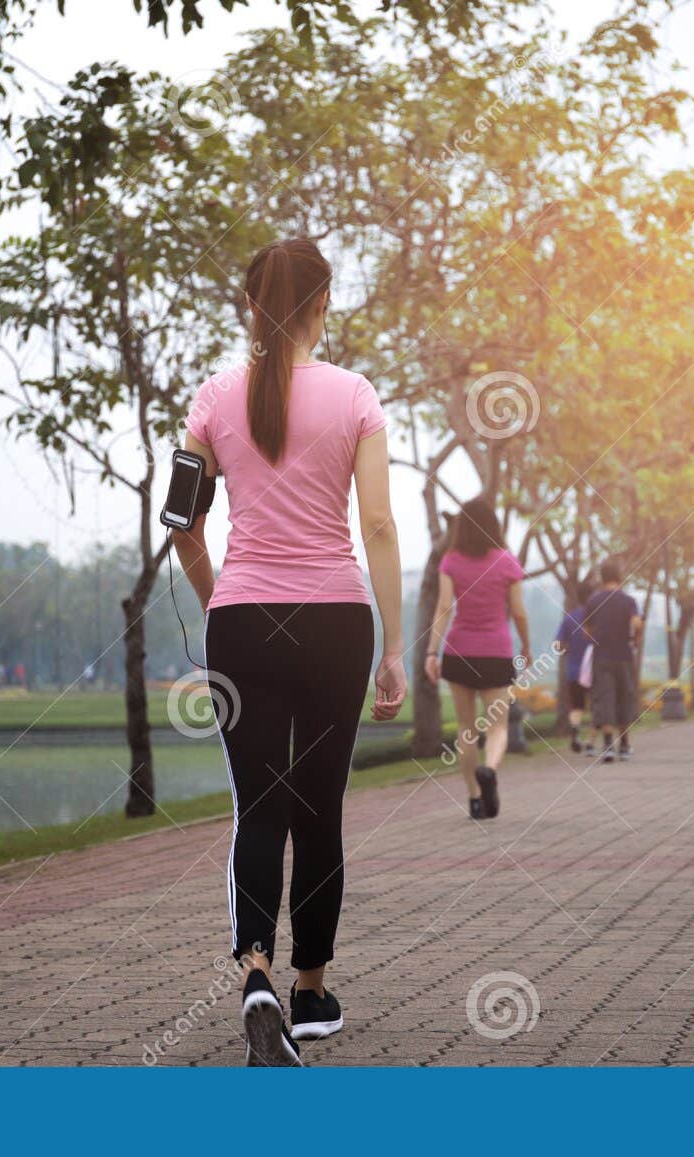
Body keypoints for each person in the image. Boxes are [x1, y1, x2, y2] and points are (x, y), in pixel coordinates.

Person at [174, 238, 405, 1065]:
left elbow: (181, 526)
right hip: (337, 620)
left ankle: (257, 971)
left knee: (258, 802)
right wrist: (396, 647)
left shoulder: (212, 399)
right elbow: (377, 524)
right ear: (322, 303)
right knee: (318, 806)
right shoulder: (355, 395)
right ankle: (309, 994)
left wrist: (221, 603)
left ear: (249, 306)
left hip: (243, 621)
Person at [424, 497, 531, 819]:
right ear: (493, 525)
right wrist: (526, 646)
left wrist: (432, 651)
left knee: (466, 730)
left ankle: (473, 797)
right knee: (497, 727)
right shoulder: (507, 561)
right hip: (496, 654)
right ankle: (490, 770)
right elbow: (519, 612)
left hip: (458, 652)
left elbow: (444, 608)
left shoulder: (450, 561)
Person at [581, 558, 644, 762]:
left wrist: (598, 637)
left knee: (605, 698)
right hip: (623, 655)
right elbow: (636, 622)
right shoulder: (628, 601)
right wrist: (635, 639)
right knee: (624, 697)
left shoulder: (593, 601)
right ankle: (624, 746)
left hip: (602, 657)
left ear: (602, 577)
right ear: (619, 577)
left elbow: (586, 632)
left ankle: (607, 746)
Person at [554, 584, 594, 754]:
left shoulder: (569, 618)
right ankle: (590, 741)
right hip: (594, 670)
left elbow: (558, 645)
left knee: (576, 706)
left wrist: (567, 650)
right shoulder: (595, 617)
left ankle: (575, 733)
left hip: (573, 671)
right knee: (596, 706)